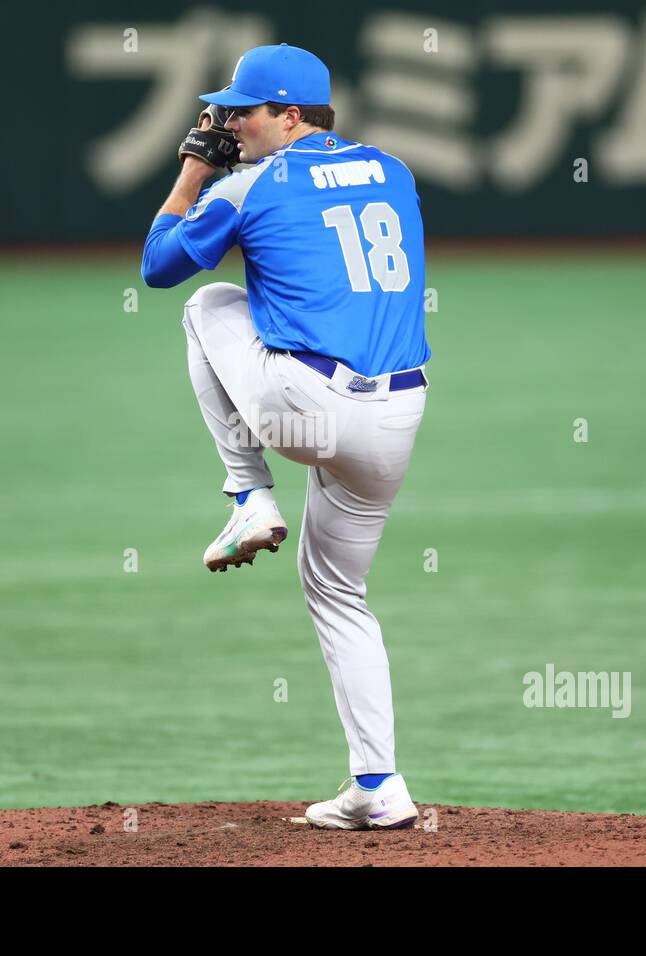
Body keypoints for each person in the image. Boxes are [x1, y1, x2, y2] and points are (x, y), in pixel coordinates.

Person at [140, 43, 430, 830]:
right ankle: (381, 784)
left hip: (303, 405)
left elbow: (159, 266)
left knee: (206, 308)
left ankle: (247, 492)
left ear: (291, 115)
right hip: (399, 414)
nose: (229, 123)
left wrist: (195, 172)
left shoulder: (247, 184)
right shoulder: (395, 171)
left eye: (245, 111)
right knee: (341, 592)